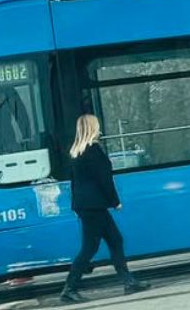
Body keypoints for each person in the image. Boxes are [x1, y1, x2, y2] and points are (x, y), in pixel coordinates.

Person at [60, 114, 150, 304]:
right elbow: (104, 181)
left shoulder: (77, 152)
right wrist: (115, 201)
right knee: (89, 249)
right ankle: (69, 289)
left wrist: (76, 206)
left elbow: (75, 184)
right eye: (97, 126)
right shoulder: (94, 151)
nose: (100, 130)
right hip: (95, 207)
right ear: (92, 128)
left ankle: (128, 281)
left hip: (88, 207)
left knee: (115, 240)